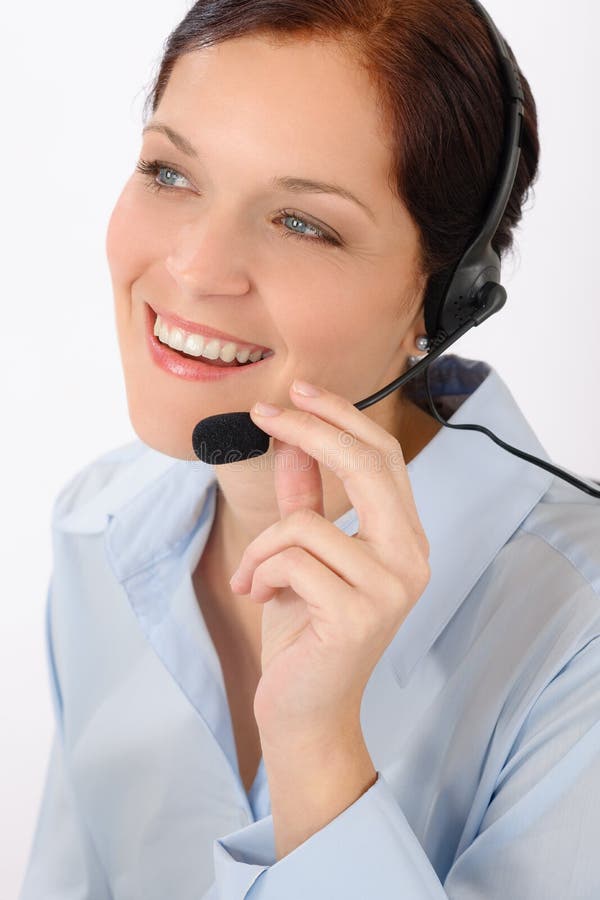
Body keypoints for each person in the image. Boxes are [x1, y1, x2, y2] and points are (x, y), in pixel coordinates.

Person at [20, 1, 600, 898]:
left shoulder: (578, 635)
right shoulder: (97, 529)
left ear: (441, 305)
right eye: (171, 173)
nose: (197, 267)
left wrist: (320, 755)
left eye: (303, 223)